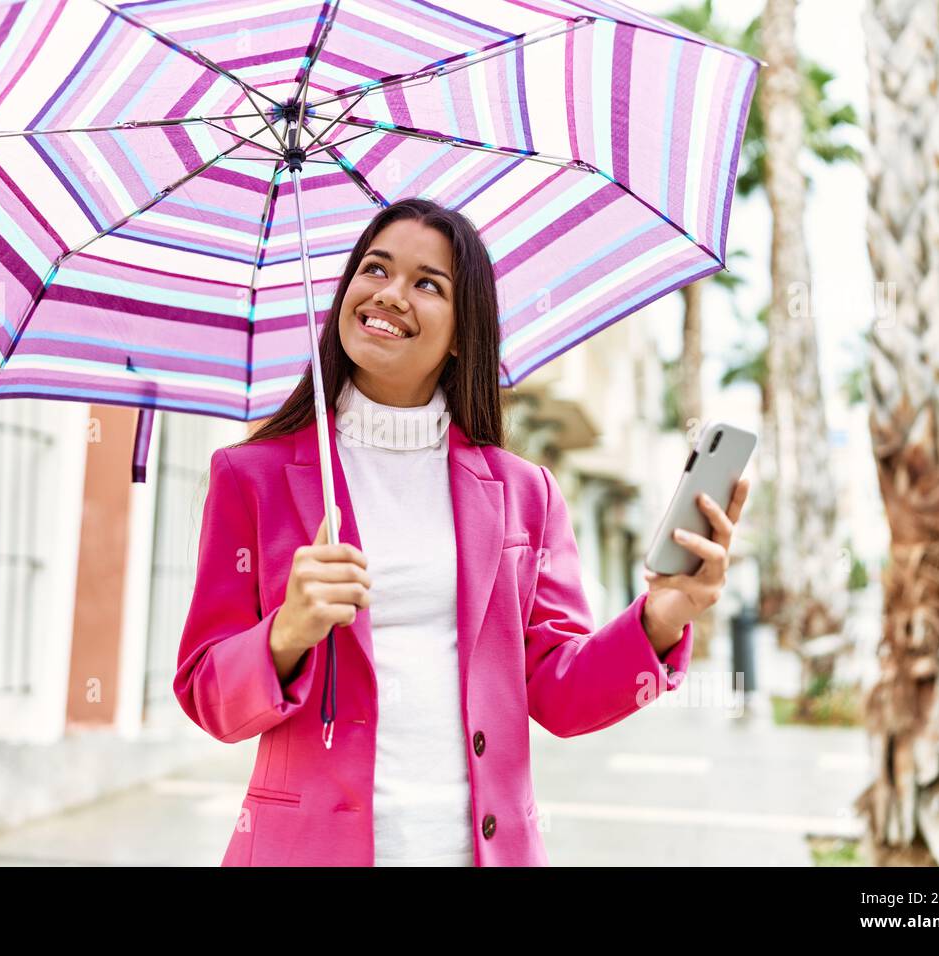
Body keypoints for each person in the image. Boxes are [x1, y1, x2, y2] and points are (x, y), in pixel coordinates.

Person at [173, 197, 750, 866]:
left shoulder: (523, 493)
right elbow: (207, 697)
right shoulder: (252, 476)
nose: (390, 295)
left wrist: (660, 619)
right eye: (375, 269)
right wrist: (286, 633)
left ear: (459, 333)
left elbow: (559, 693)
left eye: (428, 284)